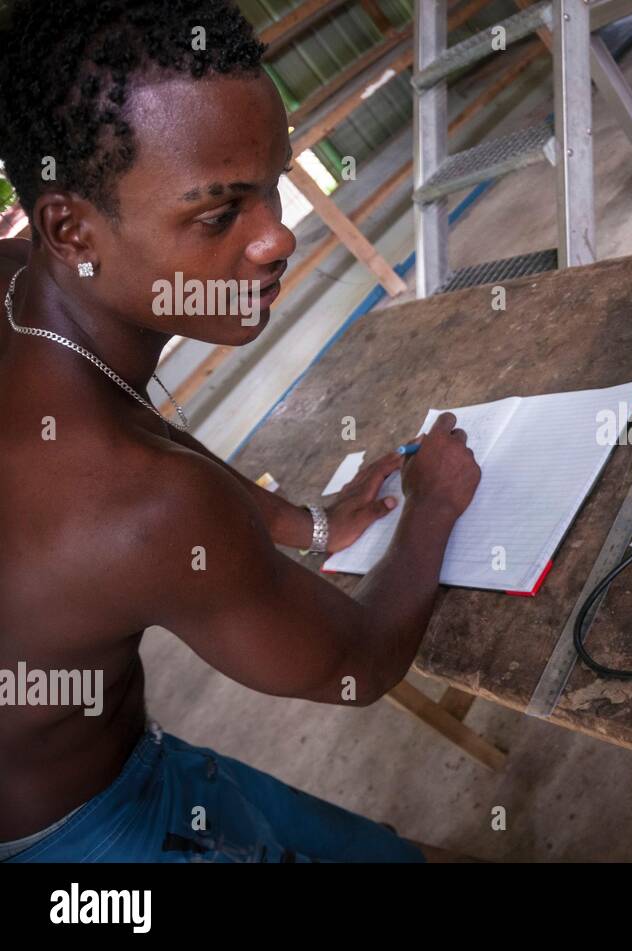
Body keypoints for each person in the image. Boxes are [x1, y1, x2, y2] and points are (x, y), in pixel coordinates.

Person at [0, 0, 481, 862]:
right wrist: (433, 508)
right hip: (92, 839)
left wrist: (314, 523)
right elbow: (357, 665)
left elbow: (134, 426)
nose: (277, 237)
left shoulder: (23, 296)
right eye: (220, 214)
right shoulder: (138, 503)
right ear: (72, 228)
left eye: (274, 184)